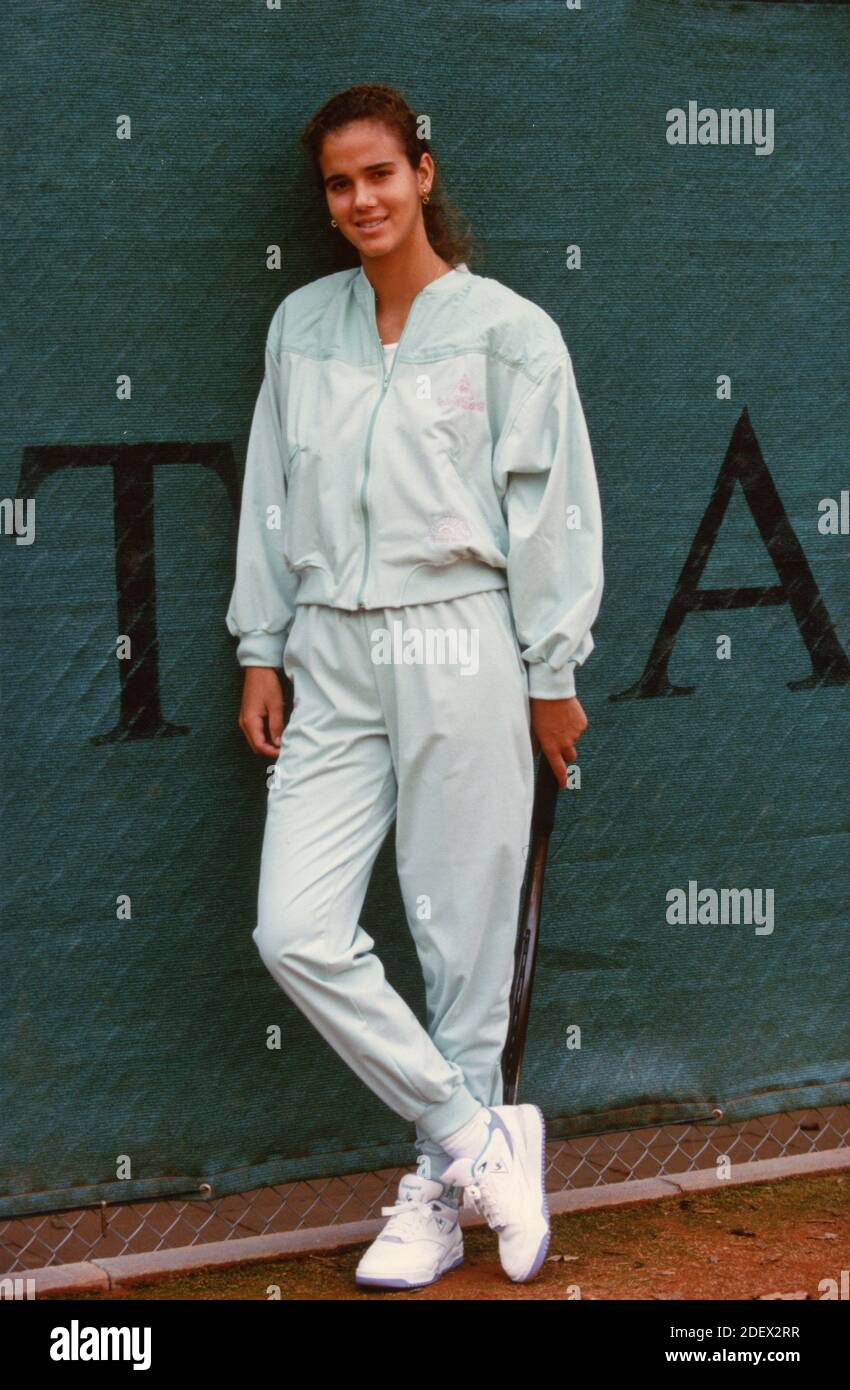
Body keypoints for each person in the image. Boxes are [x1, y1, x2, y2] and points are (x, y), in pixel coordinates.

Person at [225, 82, 604, 1289]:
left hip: (461, 642)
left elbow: (551, 515)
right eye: (339, 184)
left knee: (462, 944)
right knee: (293, 928)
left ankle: (437, 1201)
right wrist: (259, 643)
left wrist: (550, 673)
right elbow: (269, 490)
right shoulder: (301, 326)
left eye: (379, 173)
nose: (361, 200)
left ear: (422, 174)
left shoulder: (509, 330)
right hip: (331, 654)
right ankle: (475, 1137)